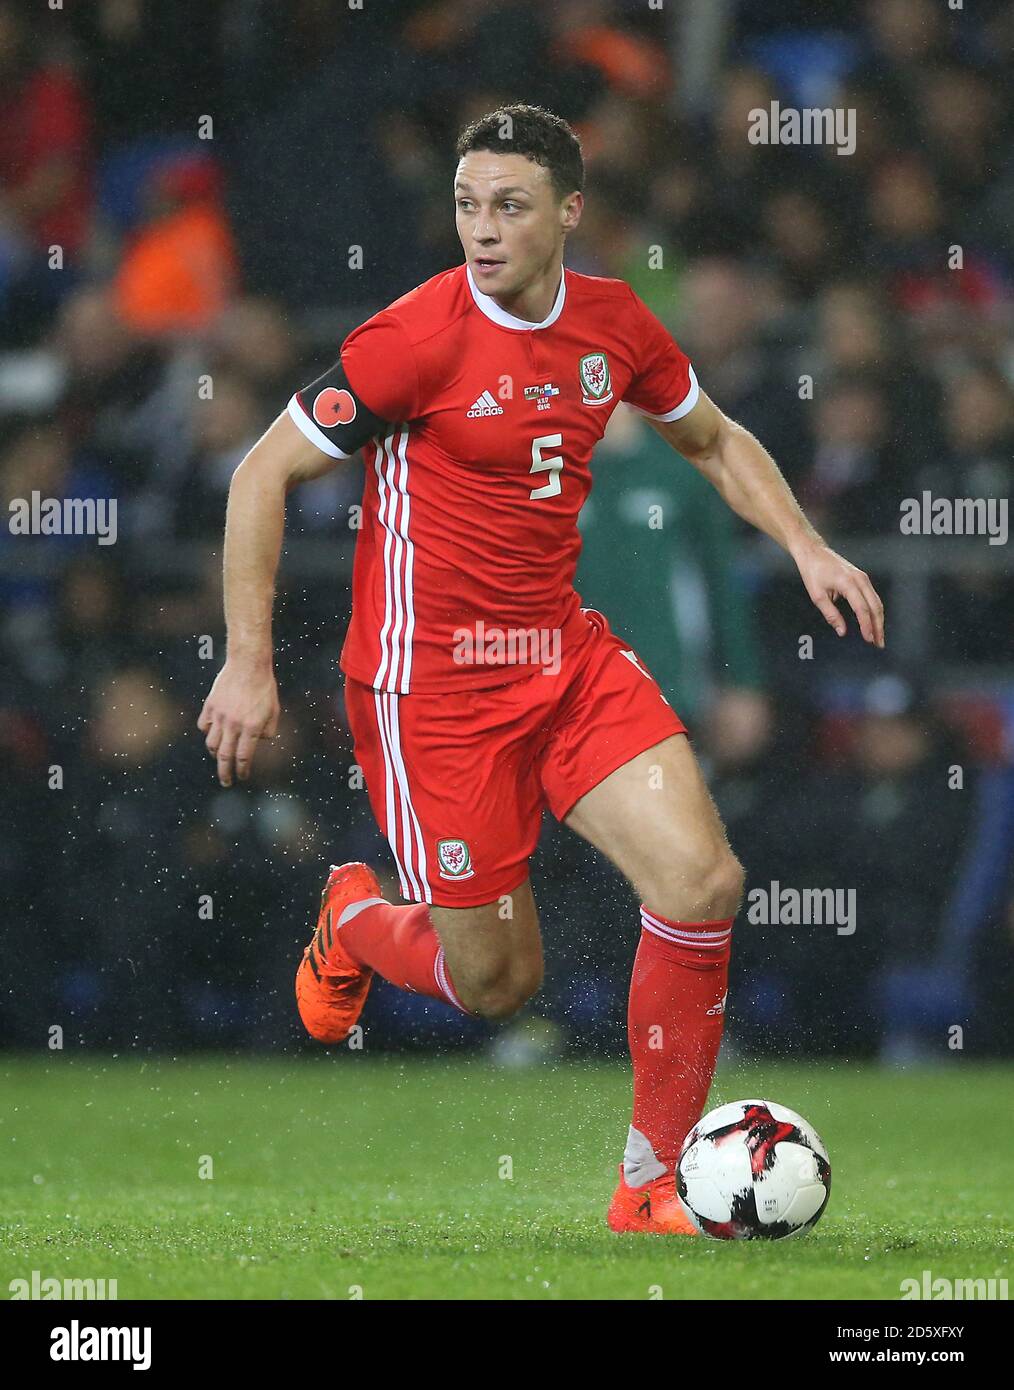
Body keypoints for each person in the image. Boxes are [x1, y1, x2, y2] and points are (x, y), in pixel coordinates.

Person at [198, 105, 885, 1235]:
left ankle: (649, 1183)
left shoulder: (616, 323)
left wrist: (805, 543)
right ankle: (358, 914)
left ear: (570, 211)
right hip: (432, 695)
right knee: (498, 984)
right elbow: (257, 477)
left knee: (705, 883)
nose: (482, 229)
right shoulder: (412, 338)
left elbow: (709, 437)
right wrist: (248, 661)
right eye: (467, 205)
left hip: (564, 657)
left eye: (509, 206)